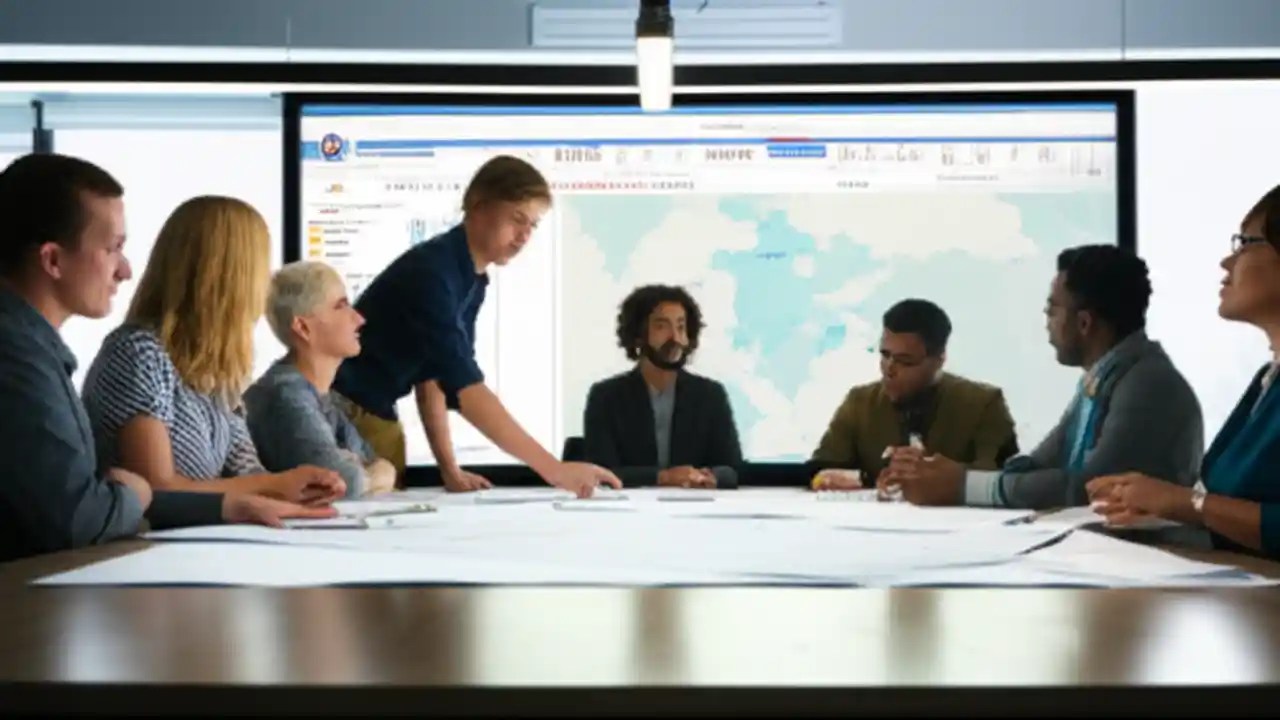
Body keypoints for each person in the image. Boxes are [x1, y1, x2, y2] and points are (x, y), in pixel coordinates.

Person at [0, 153, 334, 562]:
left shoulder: (39, 352)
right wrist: (134, 493)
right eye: (113, 248)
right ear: (52, 260)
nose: (124, 270)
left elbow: (245, 474)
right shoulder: (27, 355)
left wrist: (253, 497)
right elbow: (83, 514)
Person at [330, 154, 621, 497]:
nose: (524, 235)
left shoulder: (472, 277)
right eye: (517, 219)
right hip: (346, 415)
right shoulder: (433, 273)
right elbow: (464, 386)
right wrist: (553, 469)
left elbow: (434, 377)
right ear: (477, 205)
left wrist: (449, 470)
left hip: (376, 414)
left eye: (533, 225)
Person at [887, 244, 1203, 509]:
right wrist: (938, 475)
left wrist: (965, 486)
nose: (1046, 321)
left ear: (1084, 323)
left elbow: (1089, 488)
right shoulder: (1106, 377)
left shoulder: (1147, 384)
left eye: (1052, 310)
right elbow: (1038, 464)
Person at [81, 195, 346, 505]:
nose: (265, 286)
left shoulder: (217, 371)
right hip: (144, 548)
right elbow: (157, 488)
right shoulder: (138, 353)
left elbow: (246, 473)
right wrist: (276, 485)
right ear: (231, 276)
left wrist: (299, 490)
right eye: (260, 268)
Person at [1089, 185, 1280, 558]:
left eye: (1245, 243)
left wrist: (1186, 504)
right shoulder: (1266, 380)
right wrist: (1163, 509)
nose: (1228, 263)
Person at [809, 299, 1018, 487]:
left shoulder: (983, 405)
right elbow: (819, 470)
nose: (889, 369)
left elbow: (1003, 482)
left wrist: (933, 474)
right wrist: (870, 478)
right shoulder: (859, 403)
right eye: (885, 355)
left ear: (939, 359)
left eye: (905, 361)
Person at [244, 260, 396, 497]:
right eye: (341, 306)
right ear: (303, 328)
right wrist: (362, 470)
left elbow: (380, 464)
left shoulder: (320, 395)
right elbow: (345, 484)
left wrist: (367, 469)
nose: (358, 319)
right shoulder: (285, 395)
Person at [583, 284, 742, 488]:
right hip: (628, 513)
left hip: (695, 511)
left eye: (681, 327)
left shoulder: (710, 395)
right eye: (661, 326)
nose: (674, 337)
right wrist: (663, 477)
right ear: (638, 335)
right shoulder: (606, 397)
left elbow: (733, 468)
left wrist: (712, 476)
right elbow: (600, 473)